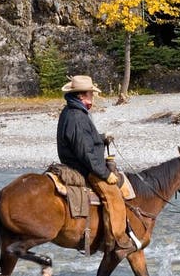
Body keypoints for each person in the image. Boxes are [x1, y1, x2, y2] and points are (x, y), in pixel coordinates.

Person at [57, 74, 135, 256]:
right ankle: (118, 239)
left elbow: (83, 141)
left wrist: (101, 139)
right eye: (91, 94)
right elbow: (85, 152)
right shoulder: (77, 116)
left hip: (78, 161)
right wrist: (105, 174)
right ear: (82, 96)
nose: (93, 97)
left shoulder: (72, 111)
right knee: (113, 192)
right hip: (83, 167)